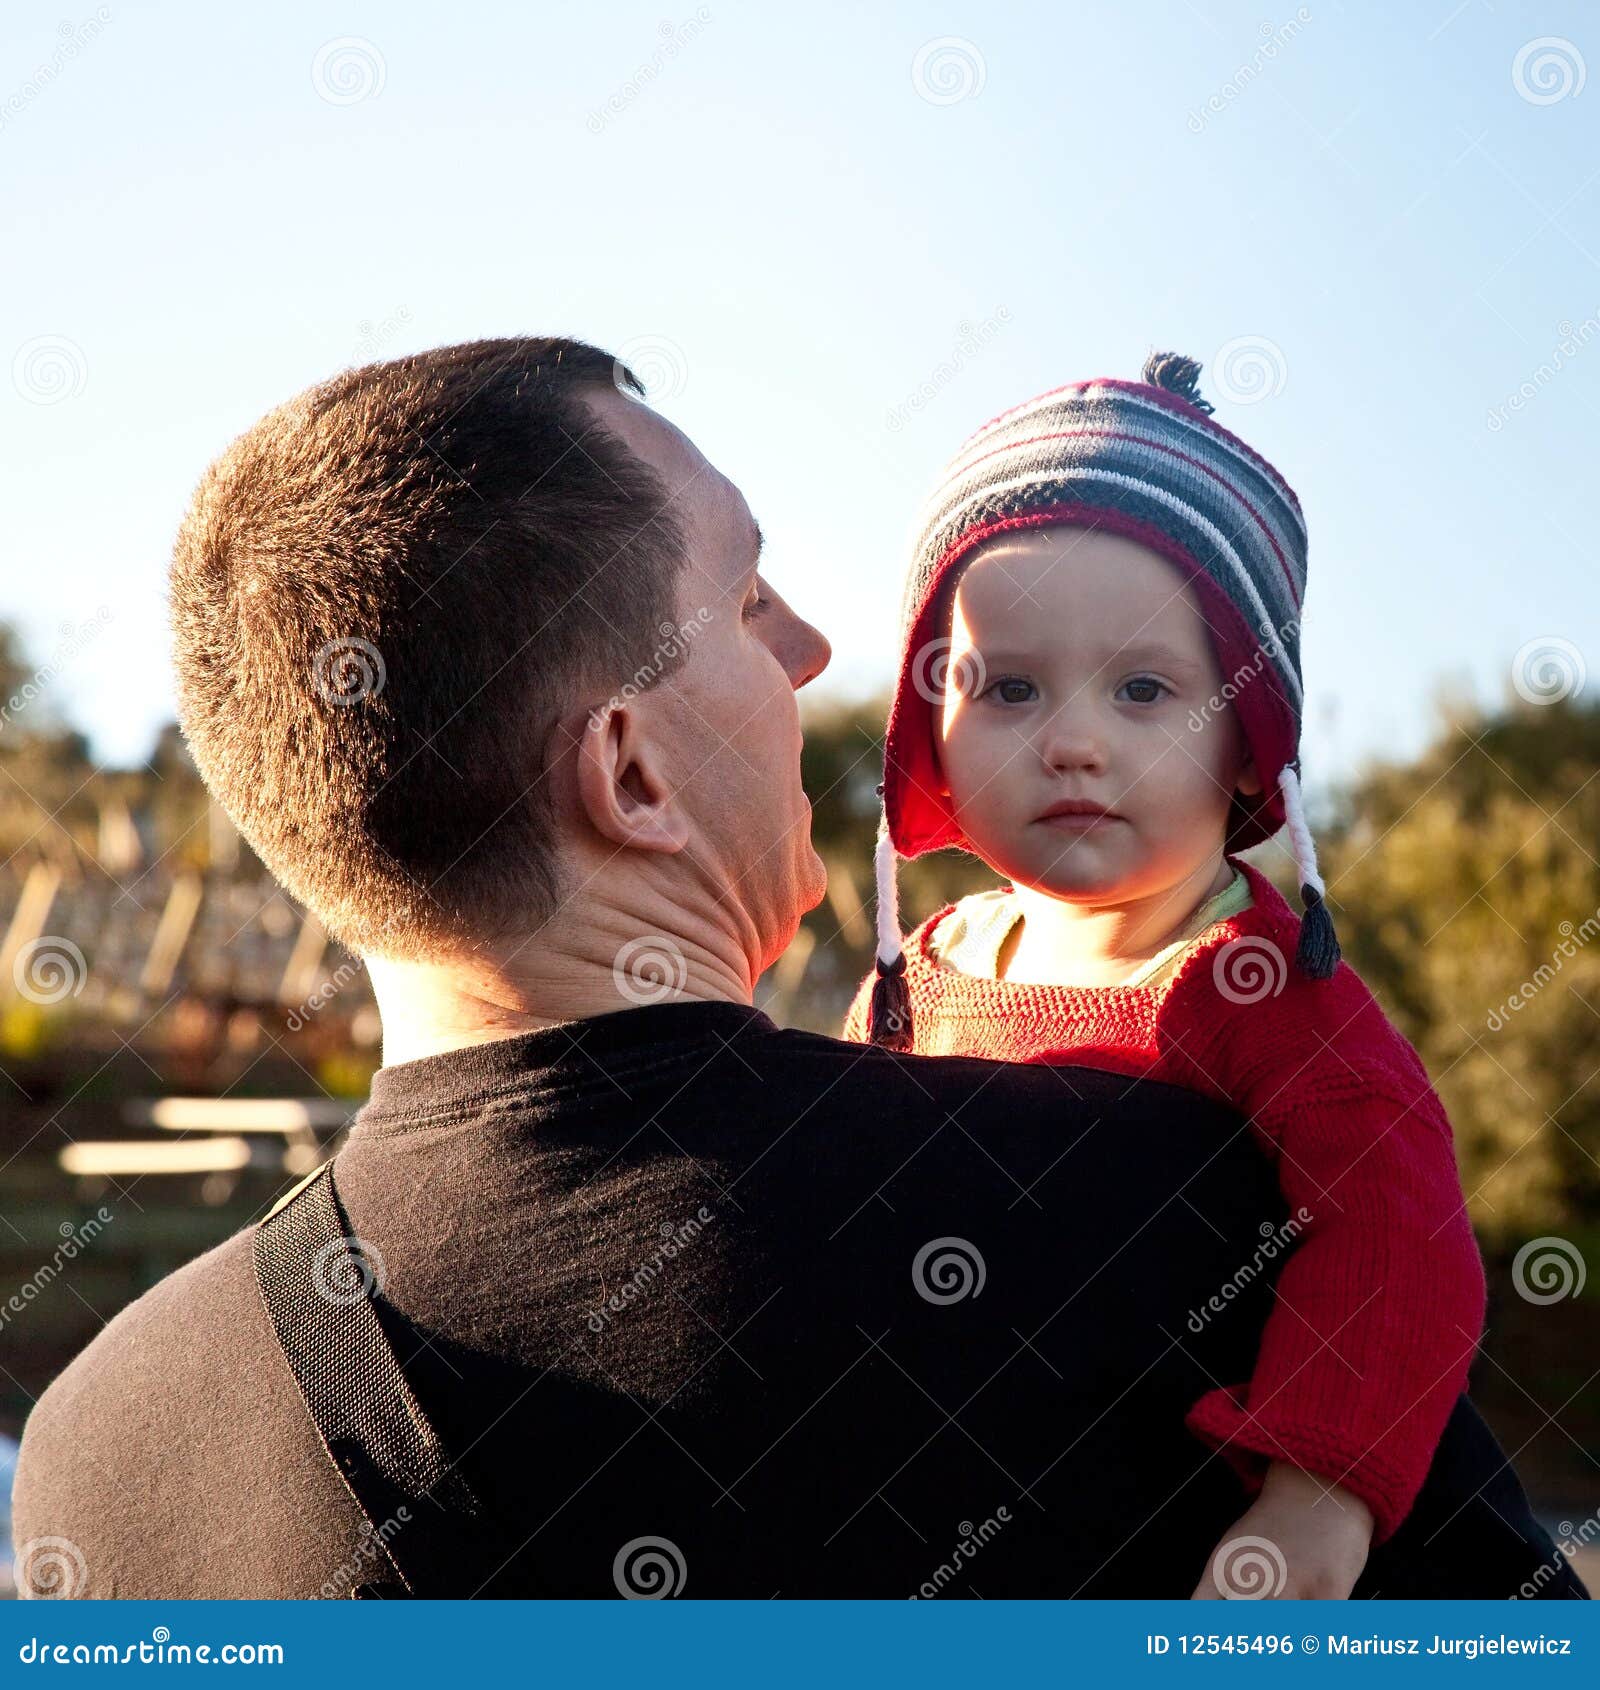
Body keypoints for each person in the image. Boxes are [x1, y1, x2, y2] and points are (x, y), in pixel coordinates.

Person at [10, 340, 1585, 1599]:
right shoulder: (1185, 1221)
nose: (819, 653)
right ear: (631, 772)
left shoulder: (95, 1454)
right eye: (748, 599)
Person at [845, 353, 1490, 1598]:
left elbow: (1398, 1233)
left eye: (1144, 690)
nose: (1072, 740)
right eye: (1008, 686)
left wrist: (1313, 1497)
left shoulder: (1254, 986)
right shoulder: (912, 979)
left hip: (1164, 1541)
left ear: (1250, 747)